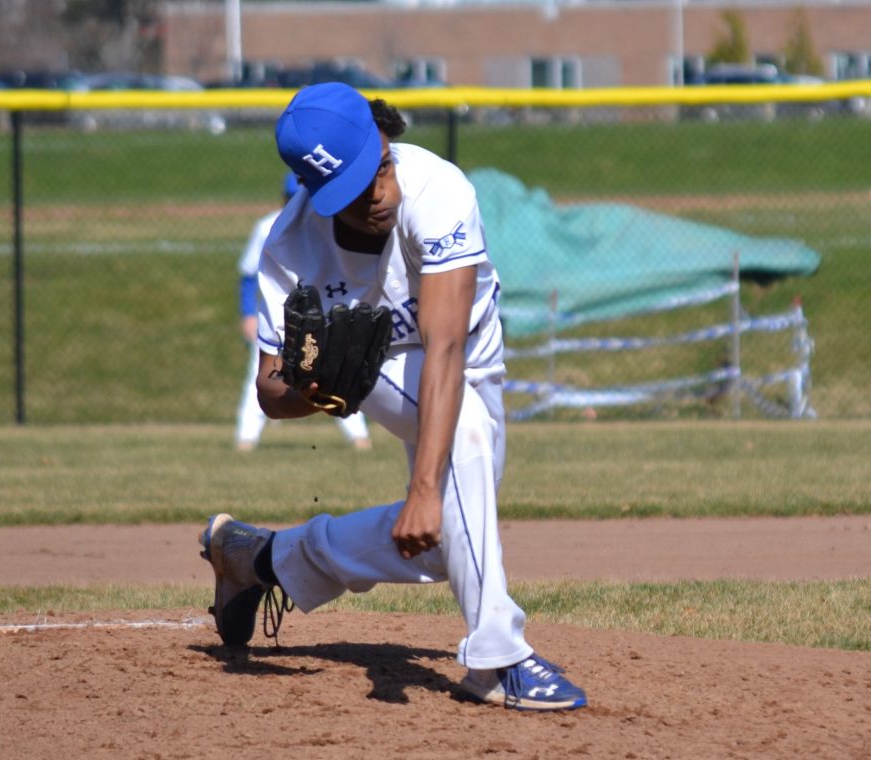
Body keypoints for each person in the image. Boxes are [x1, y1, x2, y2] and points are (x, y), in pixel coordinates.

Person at [199, 82, 587, 712]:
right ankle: (499, 658)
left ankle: (257, 556)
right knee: (460, 442)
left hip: (464, 356)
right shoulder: (289, 251)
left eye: (377, 166)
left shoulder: (438, 191)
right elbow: (270, 392)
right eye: (353, 188)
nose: (378, 193)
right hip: (382, 373)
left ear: (384, 139)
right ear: (318, 194)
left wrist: (426, 491)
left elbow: (447, 350)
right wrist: (320, 389)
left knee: (444, 541)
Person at [234, 170, 372, 452]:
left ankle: (358, 435)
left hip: (318, 313)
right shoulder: (267, 226)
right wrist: (248, 313)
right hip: (278, 312)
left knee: (334, 372)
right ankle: (246, 437)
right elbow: (248, 275)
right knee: (260, 375)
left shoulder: (325, 225)